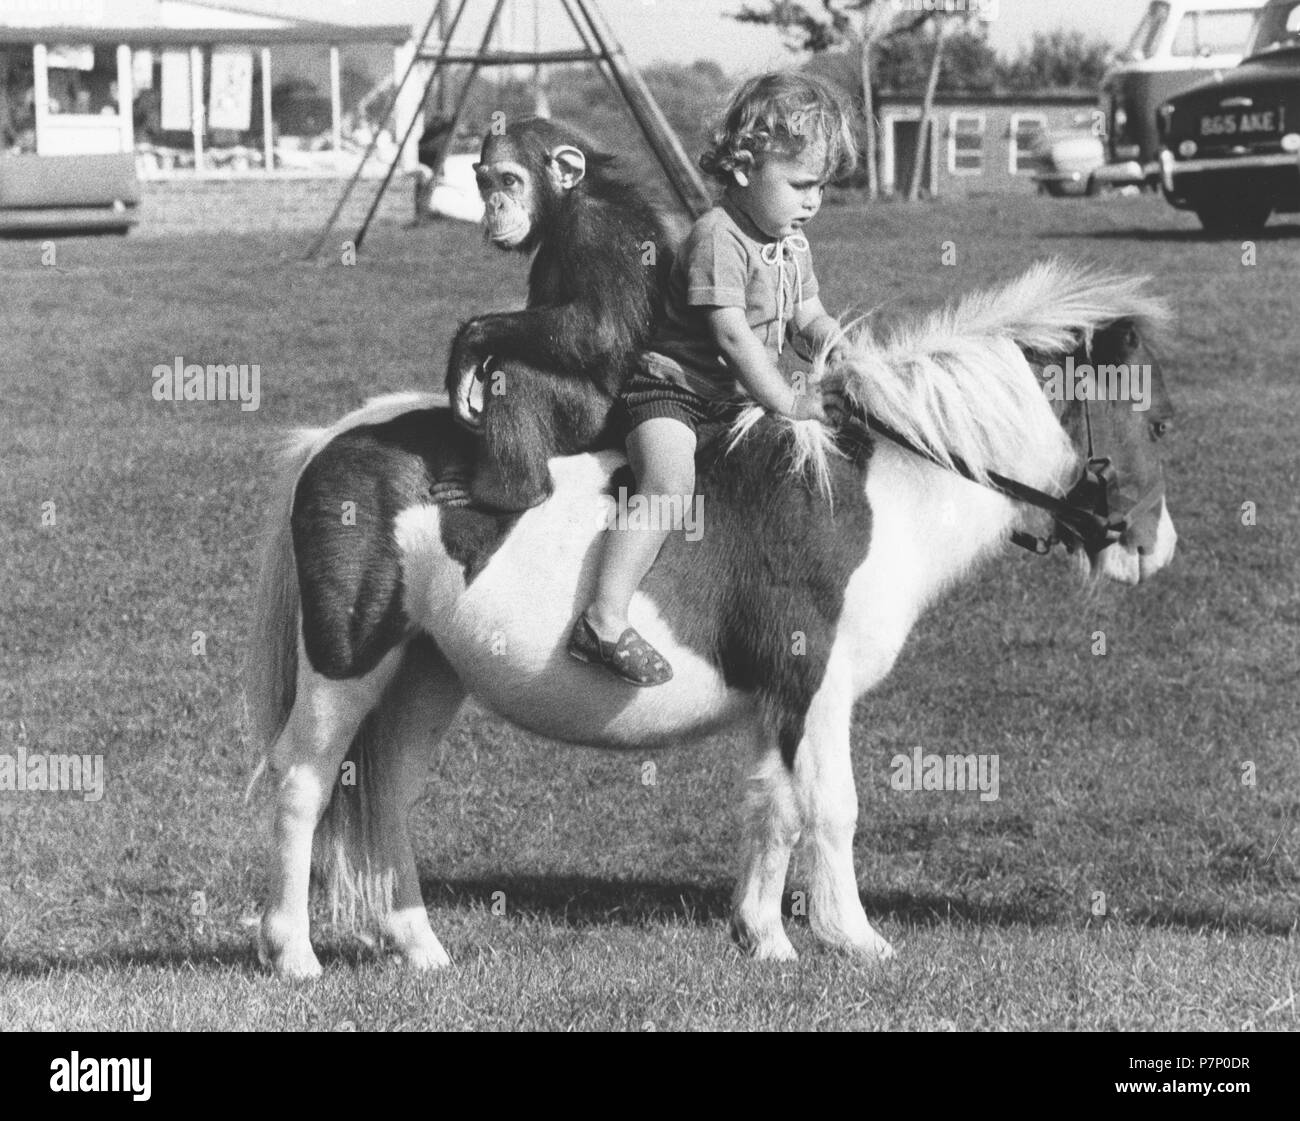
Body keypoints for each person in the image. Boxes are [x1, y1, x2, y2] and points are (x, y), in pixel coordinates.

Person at [568, 71, 859, 686]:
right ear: (745, 168)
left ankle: (762, 601)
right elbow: (731, 335)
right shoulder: (717, 238)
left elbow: (807, 315)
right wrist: (787, 399)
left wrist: (844, 354)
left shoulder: (791, 243)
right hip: (672, 392)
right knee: (670, 485)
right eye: (801, 184)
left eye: (821, 187)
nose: (813, 202)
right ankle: (603, 619)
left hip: (731, 399)